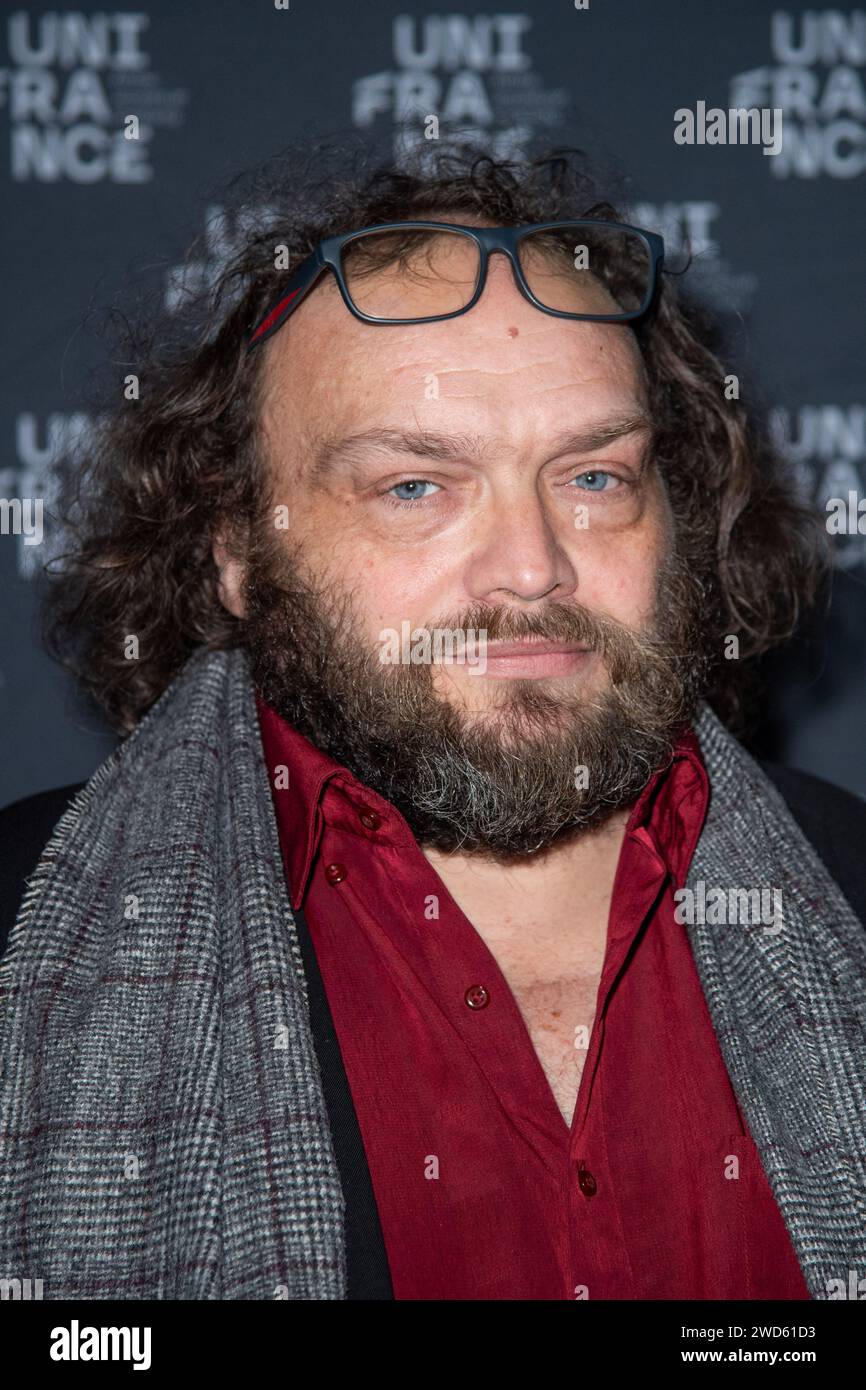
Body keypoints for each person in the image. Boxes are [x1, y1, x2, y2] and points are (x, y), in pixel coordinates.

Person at [2, 141, 865, 1302]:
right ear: (236, 554)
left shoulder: (848, 882)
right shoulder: (19, 939)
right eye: (415, 486)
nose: (530, 570)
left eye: (594, 477)